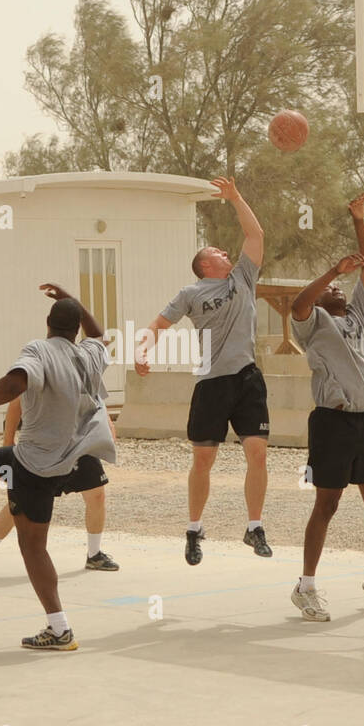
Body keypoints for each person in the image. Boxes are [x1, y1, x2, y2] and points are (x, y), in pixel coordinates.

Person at [0, 284, 114, 650]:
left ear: (48, 323)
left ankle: (59, 629)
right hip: (69, 462)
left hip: (35, 462)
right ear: (76, 328)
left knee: (31, 546)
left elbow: (16, 382)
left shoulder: (40, 350)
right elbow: (99, 334)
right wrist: (73, 299)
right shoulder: (90, 355)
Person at [135, 176, 271, 566]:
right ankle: (194, 530)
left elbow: (255, 232)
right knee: (203, 462)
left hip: (247, 378)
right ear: (205, 264)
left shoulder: (243, 277)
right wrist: (142, 350)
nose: (227, 252)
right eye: (218, 251)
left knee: (258, 455)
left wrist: (235, 197)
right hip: (211, 383)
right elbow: (158, 325)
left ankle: (254, 526)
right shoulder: (191, 293)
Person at [287, 193, 364, 621]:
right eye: (331, 288)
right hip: (333, 424)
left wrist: (360, 219)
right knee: (327, 504)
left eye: (339, 285)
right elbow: (298, 303)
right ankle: (306, 587)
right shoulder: (312, 324)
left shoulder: (356, 315)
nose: (338, 287)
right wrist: (331, 271)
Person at [0, 394, 118, 575]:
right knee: (20, 502)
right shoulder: (43, 369)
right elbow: (17, 402)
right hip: (44, 446)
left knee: (97, 495)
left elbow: (97, 399)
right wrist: (7, 441)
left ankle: (94, 555)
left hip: (80, 443)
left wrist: (108, 427)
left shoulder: (85, 368)